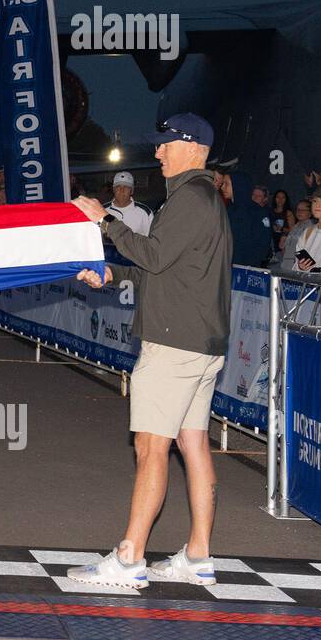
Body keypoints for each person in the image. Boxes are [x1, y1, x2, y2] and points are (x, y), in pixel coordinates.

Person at [68, 113, 232, 590]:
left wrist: (105, 220)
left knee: (151, 447)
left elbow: (154, 256)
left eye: (165, 144)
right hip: (201, 343)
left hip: (175, 343)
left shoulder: (190, 197)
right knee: (193, 443)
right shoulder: (201, 198)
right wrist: (111, 275)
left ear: (192, 148)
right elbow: (163, 270)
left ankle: (129, 557)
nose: (157, 152)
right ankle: (198, 555)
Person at [219, 170, 272, 267]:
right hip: (226, 265)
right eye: (223, 184)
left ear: (237, 185)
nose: (222, 187)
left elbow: (263, 243)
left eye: (226, 184)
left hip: (246, 267)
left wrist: (249, 265)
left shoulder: (257, 212)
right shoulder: (228, 210)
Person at [281, 187, 321, 272]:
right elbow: (296, 266)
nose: (317, 205)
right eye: (315, 201)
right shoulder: (308, 232)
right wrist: (300, 266)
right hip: (305, 283)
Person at [102, 171, 153, 236]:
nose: (122, 190)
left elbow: (152, 240)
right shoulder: (102, 210)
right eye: (118, 187)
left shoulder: (145, 212)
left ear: (131, 191)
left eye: (126, 187)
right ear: (113, 190)